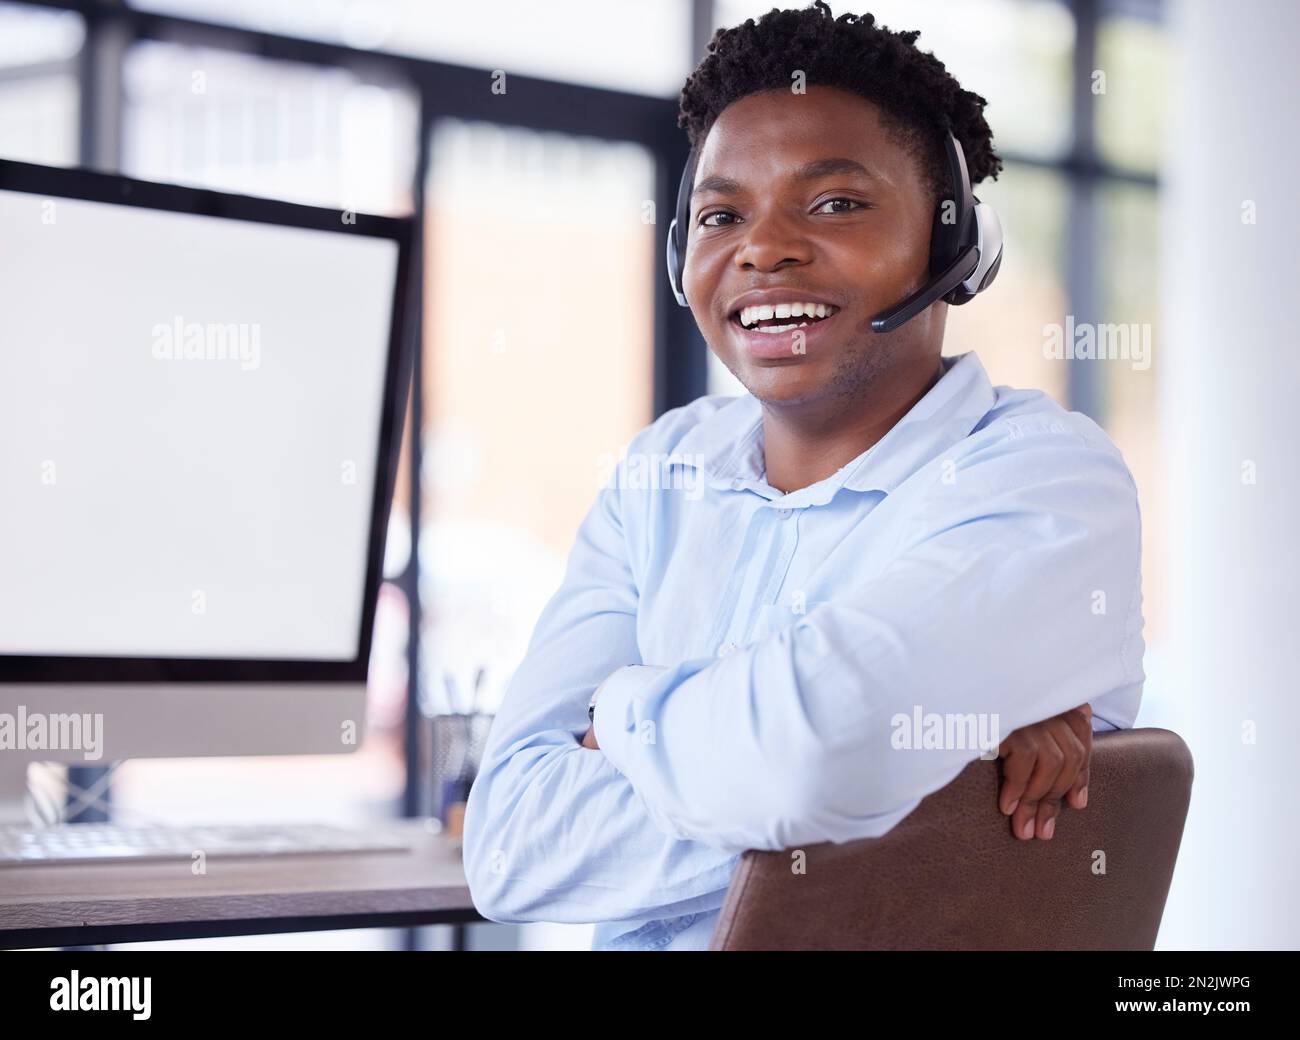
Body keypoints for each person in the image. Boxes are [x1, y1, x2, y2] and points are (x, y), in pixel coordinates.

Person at [462, 2, 1144, 951]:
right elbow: (510, 847)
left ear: (952, 242)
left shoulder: (1044, 481)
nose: (763, 246)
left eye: (834, 203)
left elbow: (815, 756)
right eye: (719, 214)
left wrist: (619, 719)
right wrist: (918, 768)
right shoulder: (664, 472)